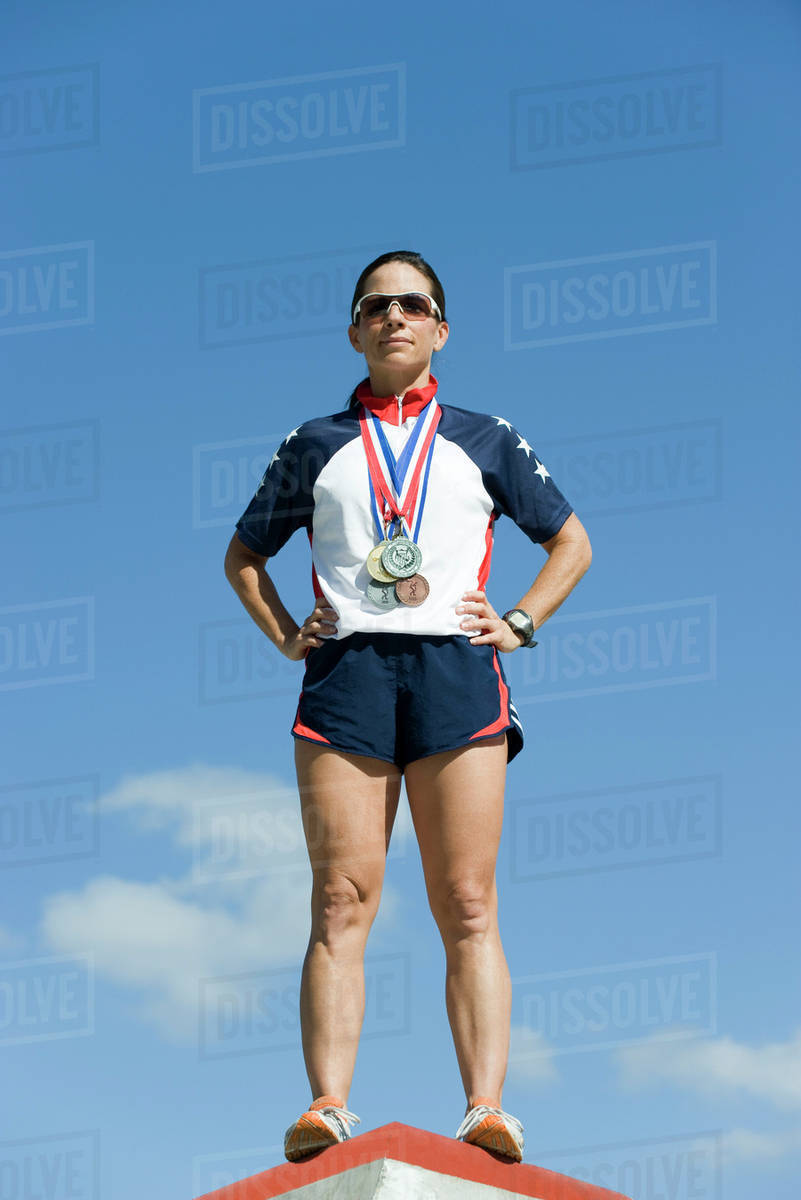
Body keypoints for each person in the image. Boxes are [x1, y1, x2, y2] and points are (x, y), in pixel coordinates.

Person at [224, 250, 592, 1164]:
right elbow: (242, 554)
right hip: (345, 676)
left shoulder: (486, 436)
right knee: (341, 898)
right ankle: (327, 1106)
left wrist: (518, 621)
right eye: (375, 305)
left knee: (466, 900)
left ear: (440, 328)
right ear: (354, 330)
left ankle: (485, 1109)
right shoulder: (315, 442)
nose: (395, 317)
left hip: (457, 673)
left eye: (413, 304)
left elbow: (571, 542)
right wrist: (284, 633)